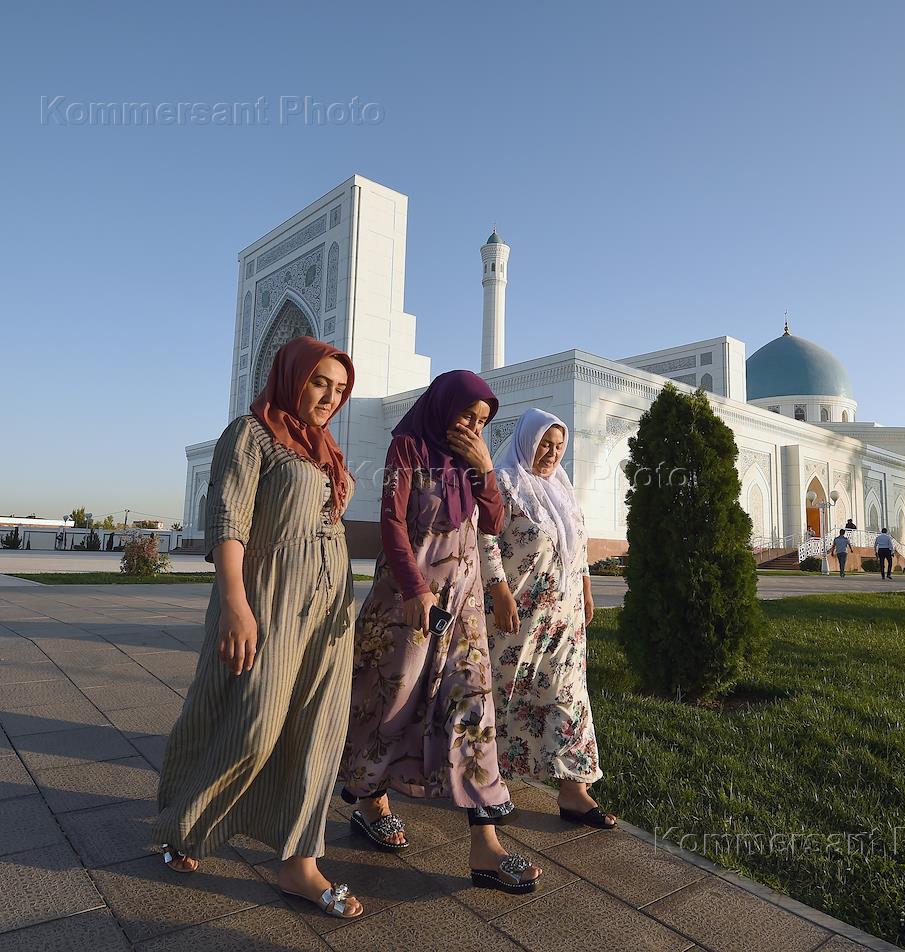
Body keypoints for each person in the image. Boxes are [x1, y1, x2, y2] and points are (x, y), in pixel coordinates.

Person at [154, 337, 363, 920]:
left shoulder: (324, 451)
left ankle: (299, 863)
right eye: (320, 381)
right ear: (293, 377)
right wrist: (234, 605)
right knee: (255, 724)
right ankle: (183, 824)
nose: (329, 396)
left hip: (328, 611)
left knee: (317, 731)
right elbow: (228, 521)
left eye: (340, 389)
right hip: (268, 603)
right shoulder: (251, 436)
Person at [341, 370, 542, 895]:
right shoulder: (406, 447)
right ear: (442, 406)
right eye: (466, 416)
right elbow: (392, 525)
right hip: (408, 603)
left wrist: (482, 468)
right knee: (389, 703)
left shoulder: (474, 461)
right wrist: (414, 592)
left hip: (464, 606)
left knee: (472, 709)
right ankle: (369, 800)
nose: (472, 427)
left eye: (482, 421)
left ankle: (486, 847)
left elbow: (494, 522)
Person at [480, 409, 615, 830]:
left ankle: (574, 790)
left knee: (569, 695)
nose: (552, 454)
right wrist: (499, 589)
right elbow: (485, 537)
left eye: (559, 447)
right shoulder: (503, 483)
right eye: (544, 445)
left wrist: (587, 587)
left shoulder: (561, 487)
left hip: (565, 617)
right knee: (507, 691)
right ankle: (488, 781)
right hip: (516, 614)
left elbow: (578, 539)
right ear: (526, 441)